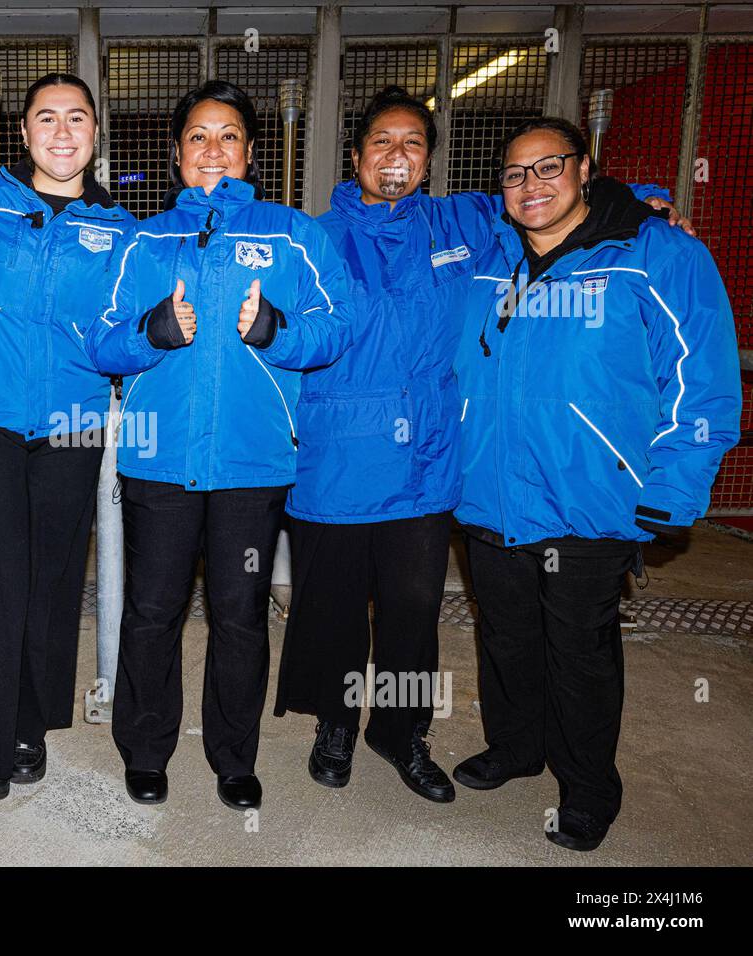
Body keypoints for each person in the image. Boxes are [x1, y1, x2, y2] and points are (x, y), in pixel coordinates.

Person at [273, 87, 680, 805]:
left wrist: (639, 199)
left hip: (429, 465)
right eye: (381, 143)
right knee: (332, 613)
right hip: (337, 461)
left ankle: (400, 733)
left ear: (428, 160)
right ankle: (335, 723)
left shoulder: (464, 220)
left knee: (411, 614)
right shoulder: (314, 238)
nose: (395, 157)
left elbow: (554, 204)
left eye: (412, 144)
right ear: (356, 155)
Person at [451, 116, 741, 851]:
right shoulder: (490, 257)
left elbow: (700, 381)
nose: (531, 185)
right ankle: (516, 748)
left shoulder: (658, 253)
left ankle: (588, 788)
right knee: (506, 636)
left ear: (586, 169)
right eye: (516, 174)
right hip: (490, 489)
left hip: (590, 497)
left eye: (549, 168)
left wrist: (674, 488)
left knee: (578, 650)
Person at [85, 80, 355, 811]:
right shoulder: (144, 240)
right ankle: (145, 749)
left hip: (251, 461)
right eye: (198, 136)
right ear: (176, 154)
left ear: (251, 151)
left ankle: (234, 756)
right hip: (162, 461)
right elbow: (101, 341)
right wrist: (152, 332)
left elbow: (340, 326)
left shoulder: (294, 235)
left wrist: (277, 329)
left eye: (228, 135)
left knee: (239, 613)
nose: (213, 149)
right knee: (153, 609)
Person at [0, 73, 136, 800]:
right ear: (22, 133)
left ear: (93, 132)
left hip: (73, 422)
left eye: (75, 118)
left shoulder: (119, 228)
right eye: (44, 117)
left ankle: (29, 721)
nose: (60, 132)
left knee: (52, 579)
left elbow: (123, 333)